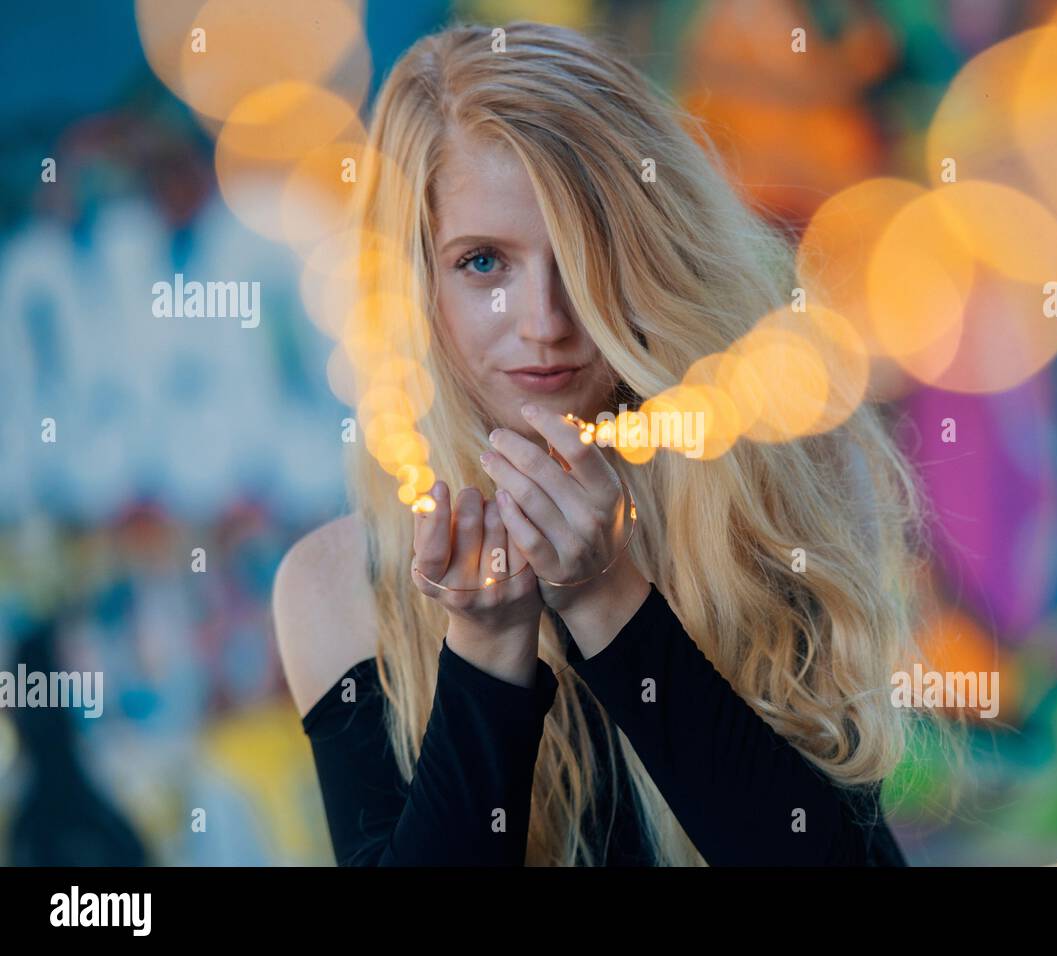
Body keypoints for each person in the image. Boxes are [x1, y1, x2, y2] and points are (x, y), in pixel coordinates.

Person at [273, 20, 927, 866]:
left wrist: (606, 599)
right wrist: (481, 652)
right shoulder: (335, 587)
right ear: (413, 282)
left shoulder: (783, 487)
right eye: (483, 264)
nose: (544, 323)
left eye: (587, 249)